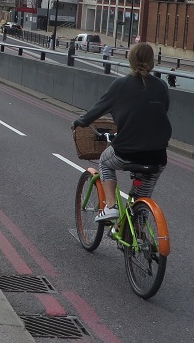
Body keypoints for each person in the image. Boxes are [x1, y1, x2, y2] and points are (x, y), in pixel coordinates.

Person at [72, 41, 171, 222]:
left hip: (127, 151)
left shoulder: (120, 85)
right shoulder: (162, 86)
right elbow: (161, 111)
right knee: (140, 199)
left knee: (104, 161)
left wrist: (80, 121)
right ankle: (139, 235)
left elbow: (97, 110)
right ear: (152, 62)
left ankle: (110, 206)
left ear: (130, 60)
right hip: (157, 155)